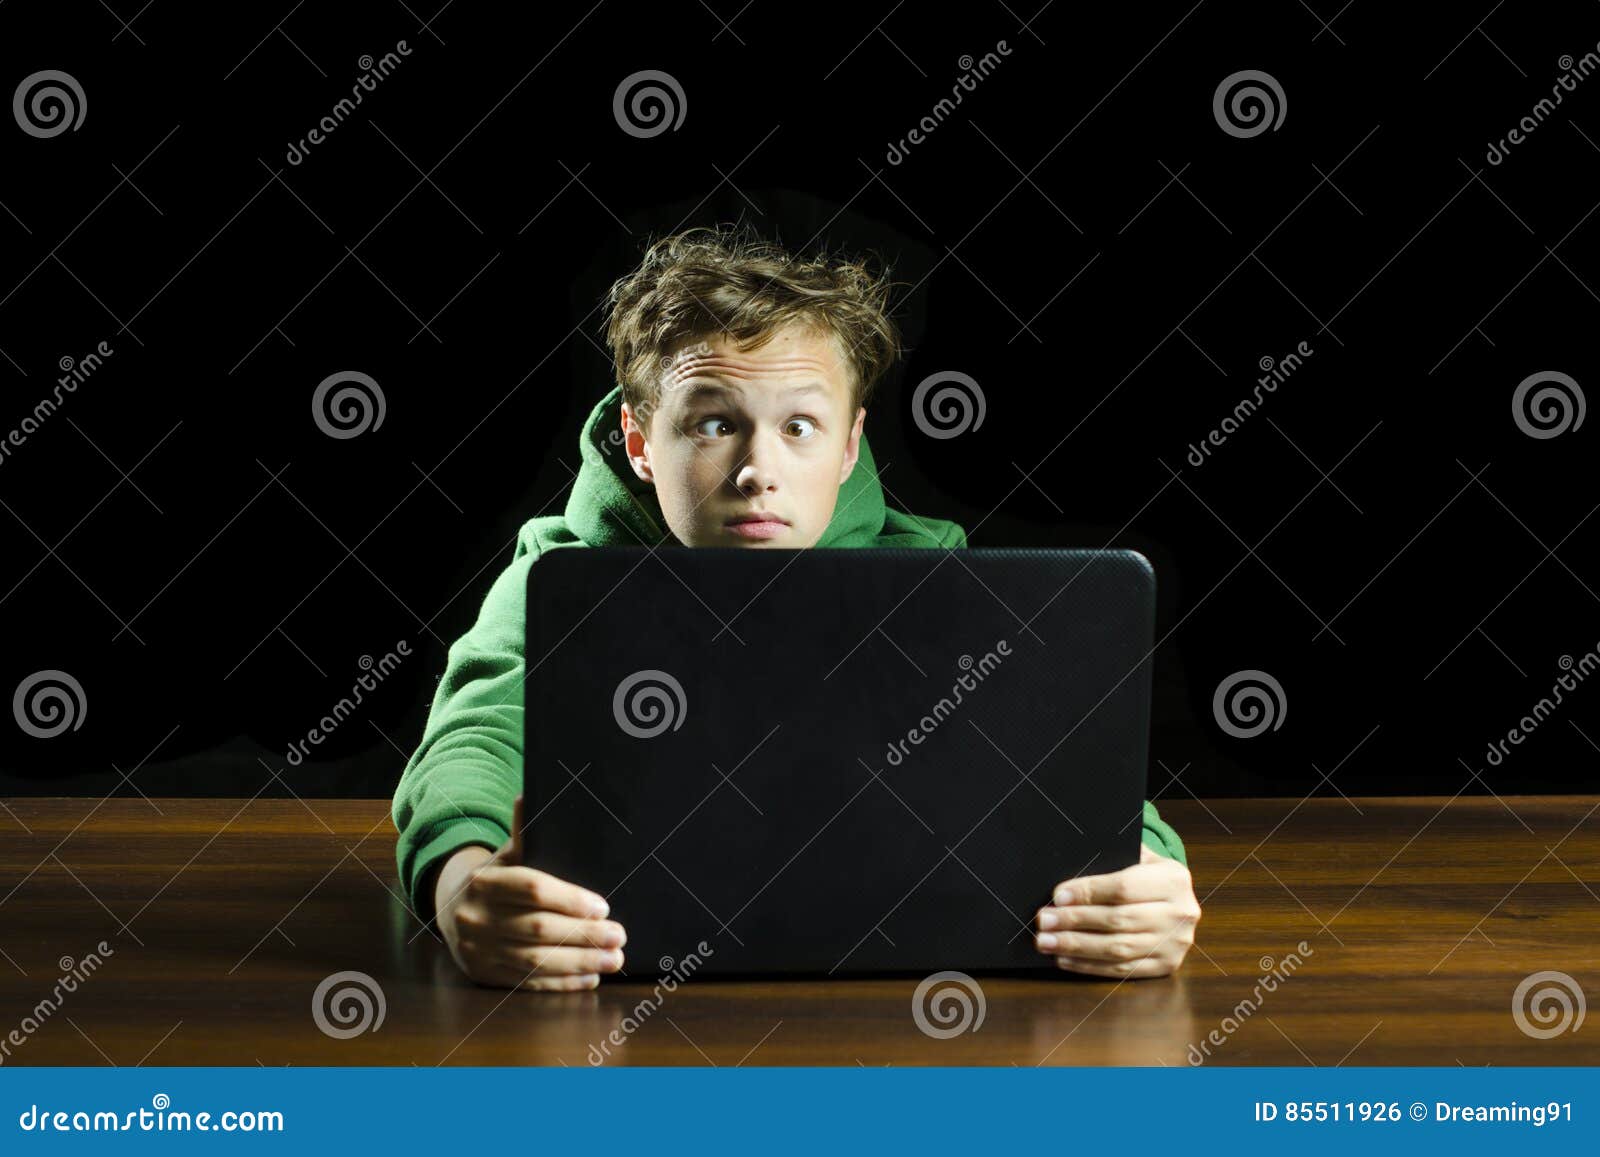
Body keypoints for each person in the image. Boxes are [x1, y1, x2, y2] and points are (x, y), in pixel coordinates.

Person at [391, 224, 1201, 991]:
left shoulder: (932, 576)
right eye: (715, 423)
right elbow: (474, 740)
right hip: (624, 985)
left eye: (800, 426)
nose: (758, 470)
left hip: (891, 998)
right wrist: (464, 890)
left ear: (847, 445)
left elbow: (1069, 767)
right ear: (640, 442)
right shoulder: (556, 576)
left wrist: (1150, 878)